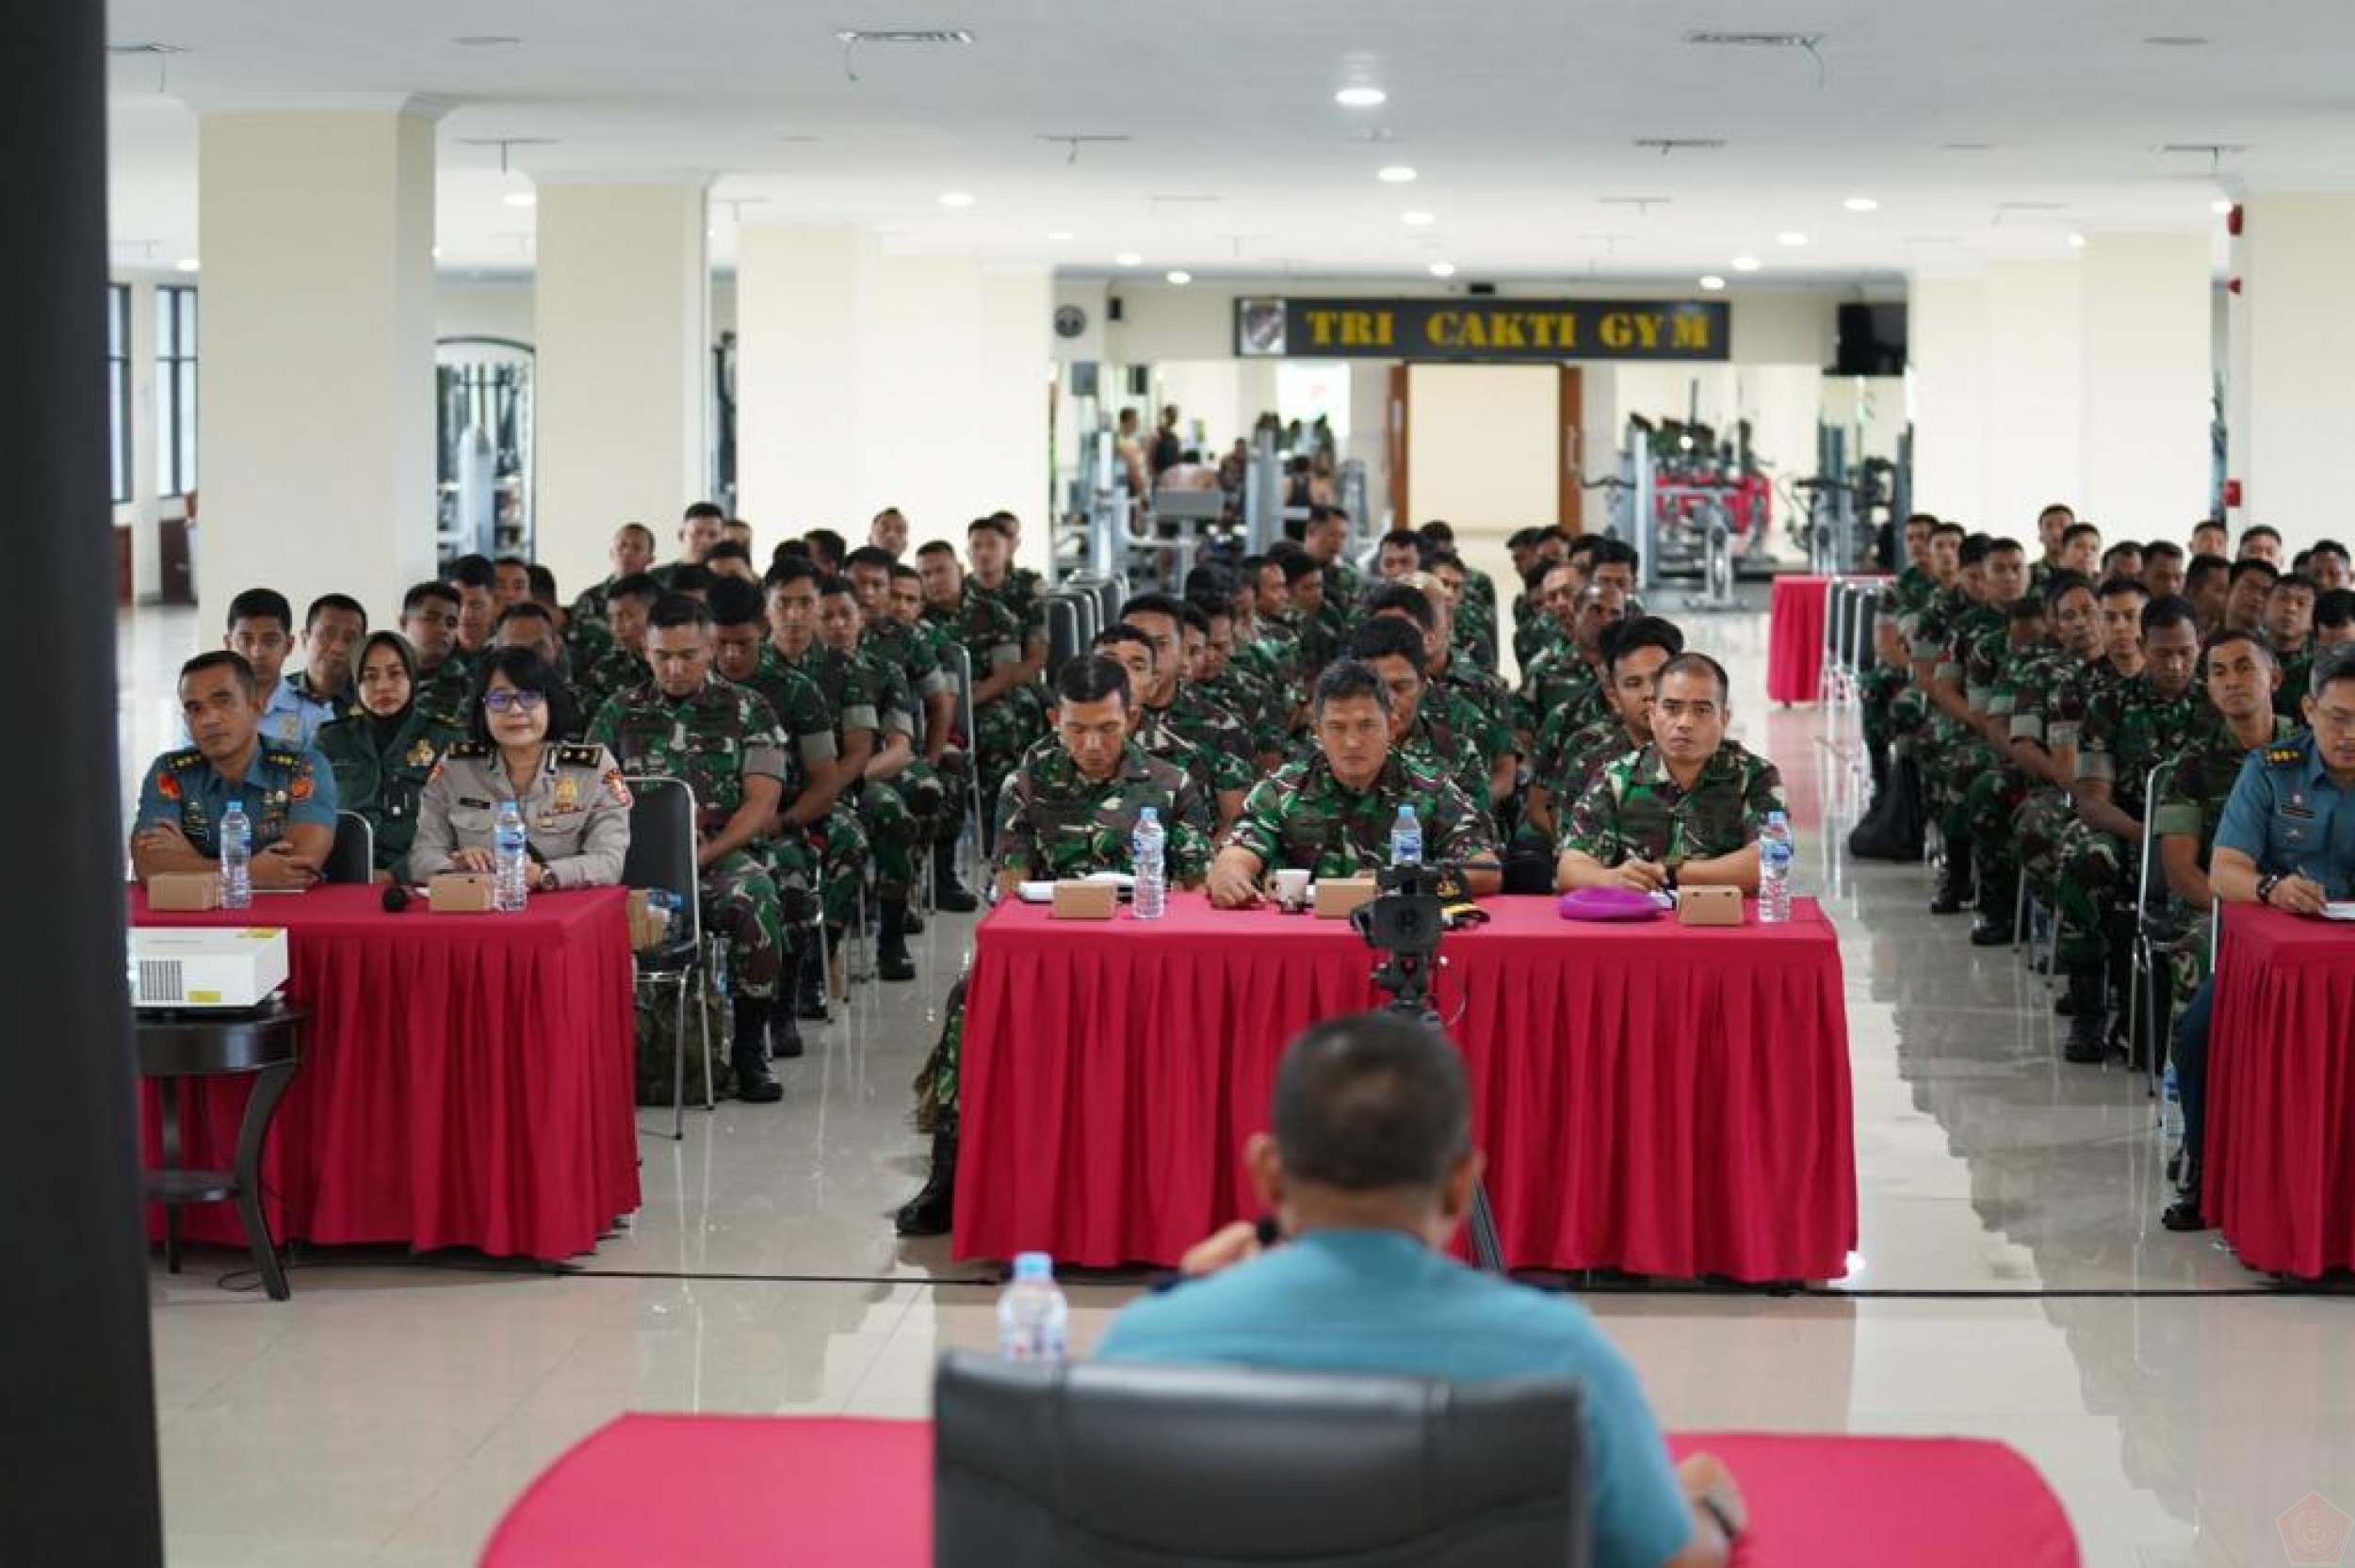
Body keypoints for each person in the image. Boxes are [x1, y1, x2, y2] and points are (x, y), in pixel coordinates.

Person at [1096, 1012, 1746, 1568]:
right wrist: (1706, 1507)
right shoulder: (1558, 1353)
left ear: (1268, 1171)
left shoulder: (1146, 1346)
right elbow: (1675, 1560)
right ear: (1462, 1182)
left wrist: (1188, 1311)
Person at [894, 654, 1214, 1239]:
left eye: (1108, 729)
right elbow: (1010, 889)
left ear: (1134, 718)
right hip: (1054, 956)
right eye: (1077, 728)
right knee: (972, 997)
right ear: (1054, 721)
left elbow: (1194, 888)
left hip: (1150, 958)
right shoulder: (1028, 783)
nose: (1092, 744)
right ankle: (949, 1171)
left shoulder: (1172, 786)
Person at [2159, 643, 2355, 1232]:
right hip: (2276, 961)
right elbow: (2223, 871)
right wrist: (2271, 888)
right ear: (2308, 709)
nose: (2350, 734)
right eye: (2339, 717)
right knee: (2197, 1036)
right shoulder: (2271, 768)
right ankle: (2203, 1160)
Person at [589, 592, 799, 1096]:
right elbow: (588, 792)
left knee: (758, 901)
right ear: (646, 651)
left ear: (709, 650)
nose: (676, 668)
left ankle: (748, 1051)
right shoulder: (619, 711)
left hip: (718, 855)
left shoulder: (750, 708)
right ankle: (602, 1052)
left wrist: (702, 853)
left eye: (688, 655)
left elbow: (761, 802)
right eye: (664, 656)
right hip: (631, 860)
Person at [1210, 661, 1501, 907]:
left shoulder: (1431, 790)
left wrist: (1403, 880)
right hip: (1307, 940)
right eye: (1337, 727)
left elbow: (1485, 870)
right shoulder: (1281, 790)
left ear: (1393, 727)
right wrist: (1228, 872)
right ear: (1317, 732)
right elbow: (1236, 855)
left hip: (1398, 935)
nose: (1352, 742)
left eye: (1367, 726)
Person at [1557, 653, 1786, 896]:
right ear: (1653, 715)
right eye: (1672, 708)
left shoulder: (1757, 776)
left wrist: (1670, 872)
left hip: (1725, 924)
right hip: (1639, 924)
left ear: (1724, 719)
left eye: (1701, 710)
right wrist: (1610, 878)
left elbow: (1771, 862)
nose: (1684, 722)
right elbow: (1570, 869)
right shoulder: (1615, 777)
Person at [409, 647, 631, 888]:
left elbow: (610, 863)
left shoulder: (593, 769)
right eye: (499, 699)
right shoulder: (455, 769)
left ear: (550, 703)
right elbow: (421, 858)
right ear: (482, 710)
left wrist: (545, 875)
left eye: (529, 697)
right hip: (483, 913)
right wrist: (455, 867)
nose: (515, 710)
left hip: (563, 911)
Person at [132, 652, 338, 889]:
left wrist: (191, 863)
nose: (208, 719)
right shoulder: (170, 772)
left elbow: (299, 867)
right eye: (195, 708)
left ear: (256, 706)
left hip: (284, 917)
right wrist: (250, 872)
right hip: (197, 919)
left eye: (223, 701)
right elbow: (149, 867)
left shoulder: (303, 767)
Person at [314, 632, 466, 878]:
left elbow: (459, 823)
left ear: (412, 677)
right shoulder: (331, 741)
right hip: (343, 881)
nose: (383, 686)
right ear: (356, 683)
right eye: (370, 677)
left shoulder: (445, 739)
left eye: (395, 674)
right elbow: (313, 817)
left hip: (421, 880)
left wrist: (397, 874)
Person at [223, 587, 333, 750]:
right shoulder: (206, 711)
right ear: (228, 644)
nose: (257, 652)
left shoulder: (314, 715)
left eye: (270, 641)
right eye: (246, 641)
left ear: (289, 645)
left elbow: (322, 773)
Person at [286, 593, 367, 710]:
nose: (338, 648)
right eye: (327, 635)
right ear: (305, 639)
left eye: (350, 639)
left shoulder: (373, 699)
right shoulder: (273, 695)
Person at [572, 522, 658, 626]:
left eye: (637, 548)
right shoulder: (590, 599)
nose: (627, 553)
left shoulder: (661, 598)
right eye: (622, 546)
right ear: (611, 554)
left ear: (650, 559)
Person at [444, 554, 500, 659]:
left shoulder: (508, 652)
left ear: (495, 603)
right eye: (457, 604)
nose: (465, 615)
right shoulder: (435, 655)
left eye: (476, 605)